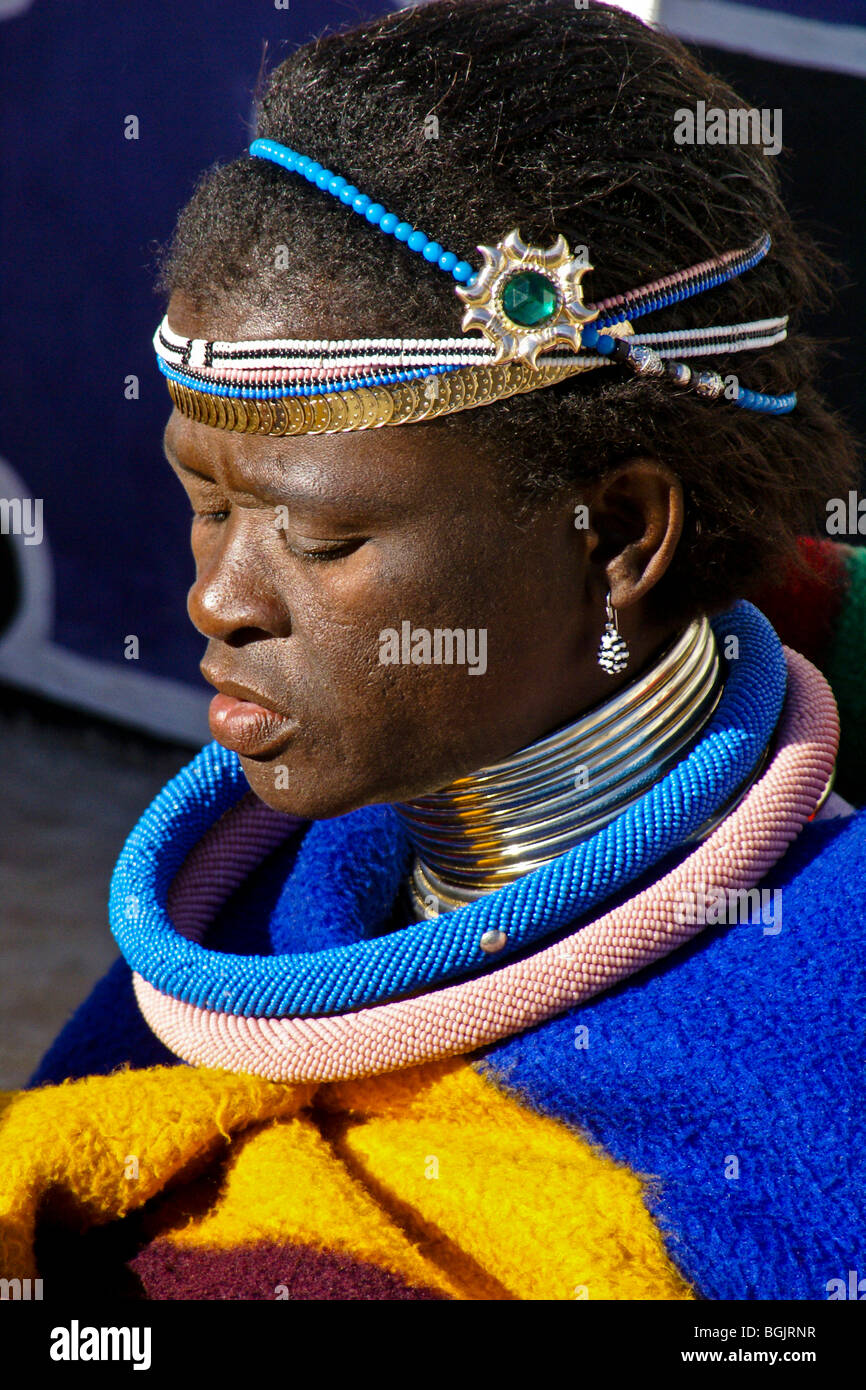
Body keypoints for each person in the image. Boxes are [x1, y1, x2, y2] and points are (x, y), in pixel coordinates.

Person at [2, 0, 864, 1302]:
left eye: (324, 536)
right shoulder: (236, 922)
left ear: (615, 533)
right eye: (208, 501)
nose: (218, 600)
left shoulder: (819, 1008)